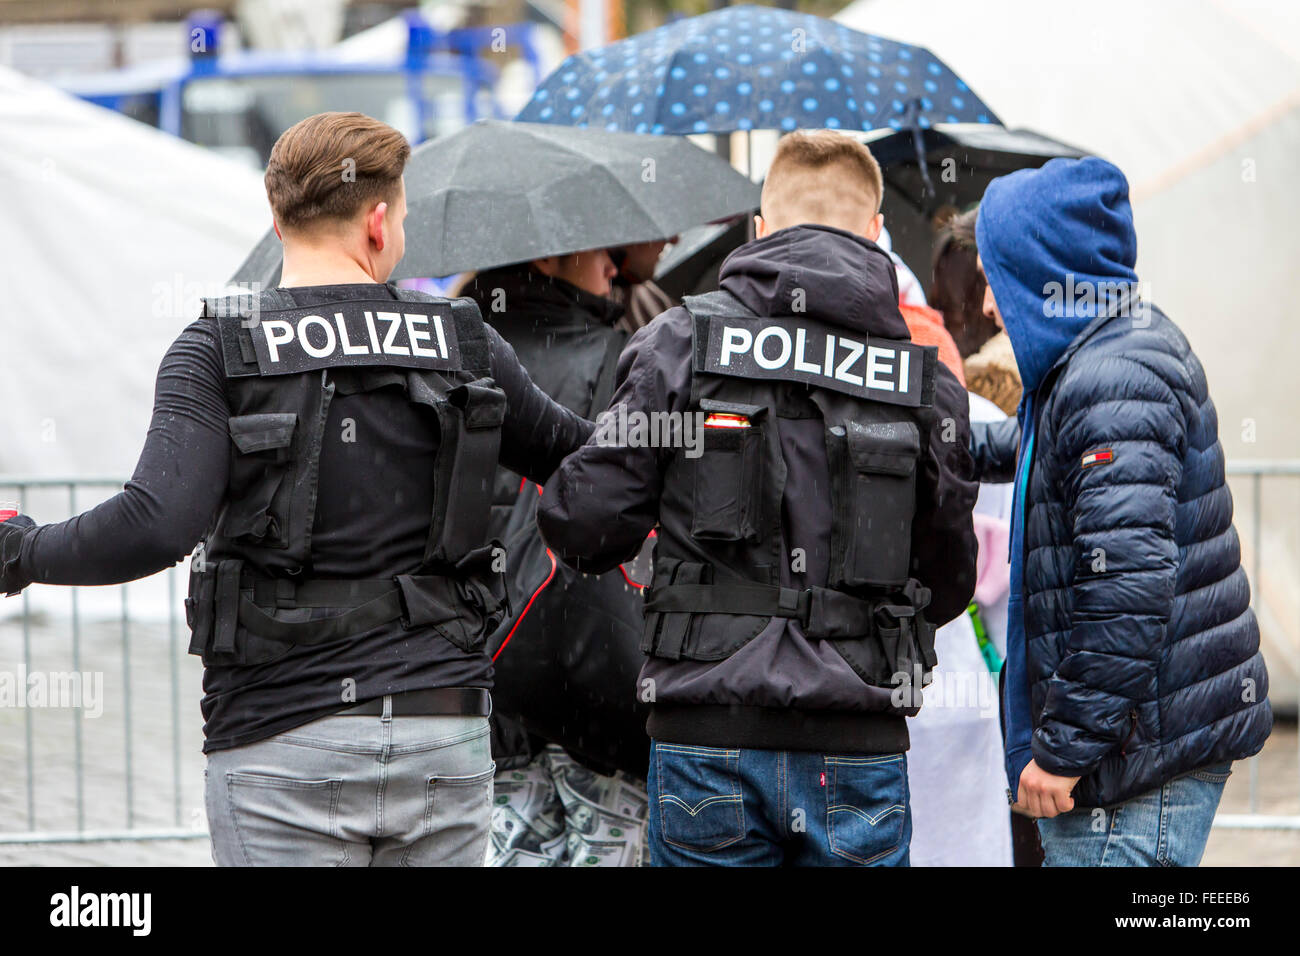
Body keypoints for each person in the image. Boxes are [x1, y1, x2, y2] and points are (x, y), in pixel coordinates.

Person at [0, 111, 594, 866]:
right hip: (440, 733)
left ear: (276, 220)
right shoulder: (464, 341)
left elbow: (154, 526)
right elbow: (587, 464)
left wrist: (19, 550)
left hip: (283, 742)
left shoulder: (217, 347)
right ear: (378, 223)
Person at [536, 130, 979, 867]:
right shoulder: (924, 382)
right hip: (856, 745)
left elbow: (584, 524)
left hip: (707, 738)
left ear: (761, 229)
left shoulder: (677, 344)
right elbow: (949, 584)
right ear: (877, 234)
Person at [970, 156, 1272, 866]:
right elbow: (1032, 451)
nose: (988, 305)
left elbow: (1126, 591)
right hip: (1140, 748)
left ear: (1042, 269)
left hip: (1131, 770)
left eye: (992, 277)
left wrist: (1064, 750)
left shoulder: (1112, 375)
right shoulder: (1103, 356)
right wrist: (928, 432)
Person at [459, 251, 652, 866]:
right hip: (589, 672)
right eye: (603, 254)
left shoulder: (451, 351)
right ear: (552, 256)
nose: (615, 270)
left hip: (478, 668)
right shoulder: (615, 355)